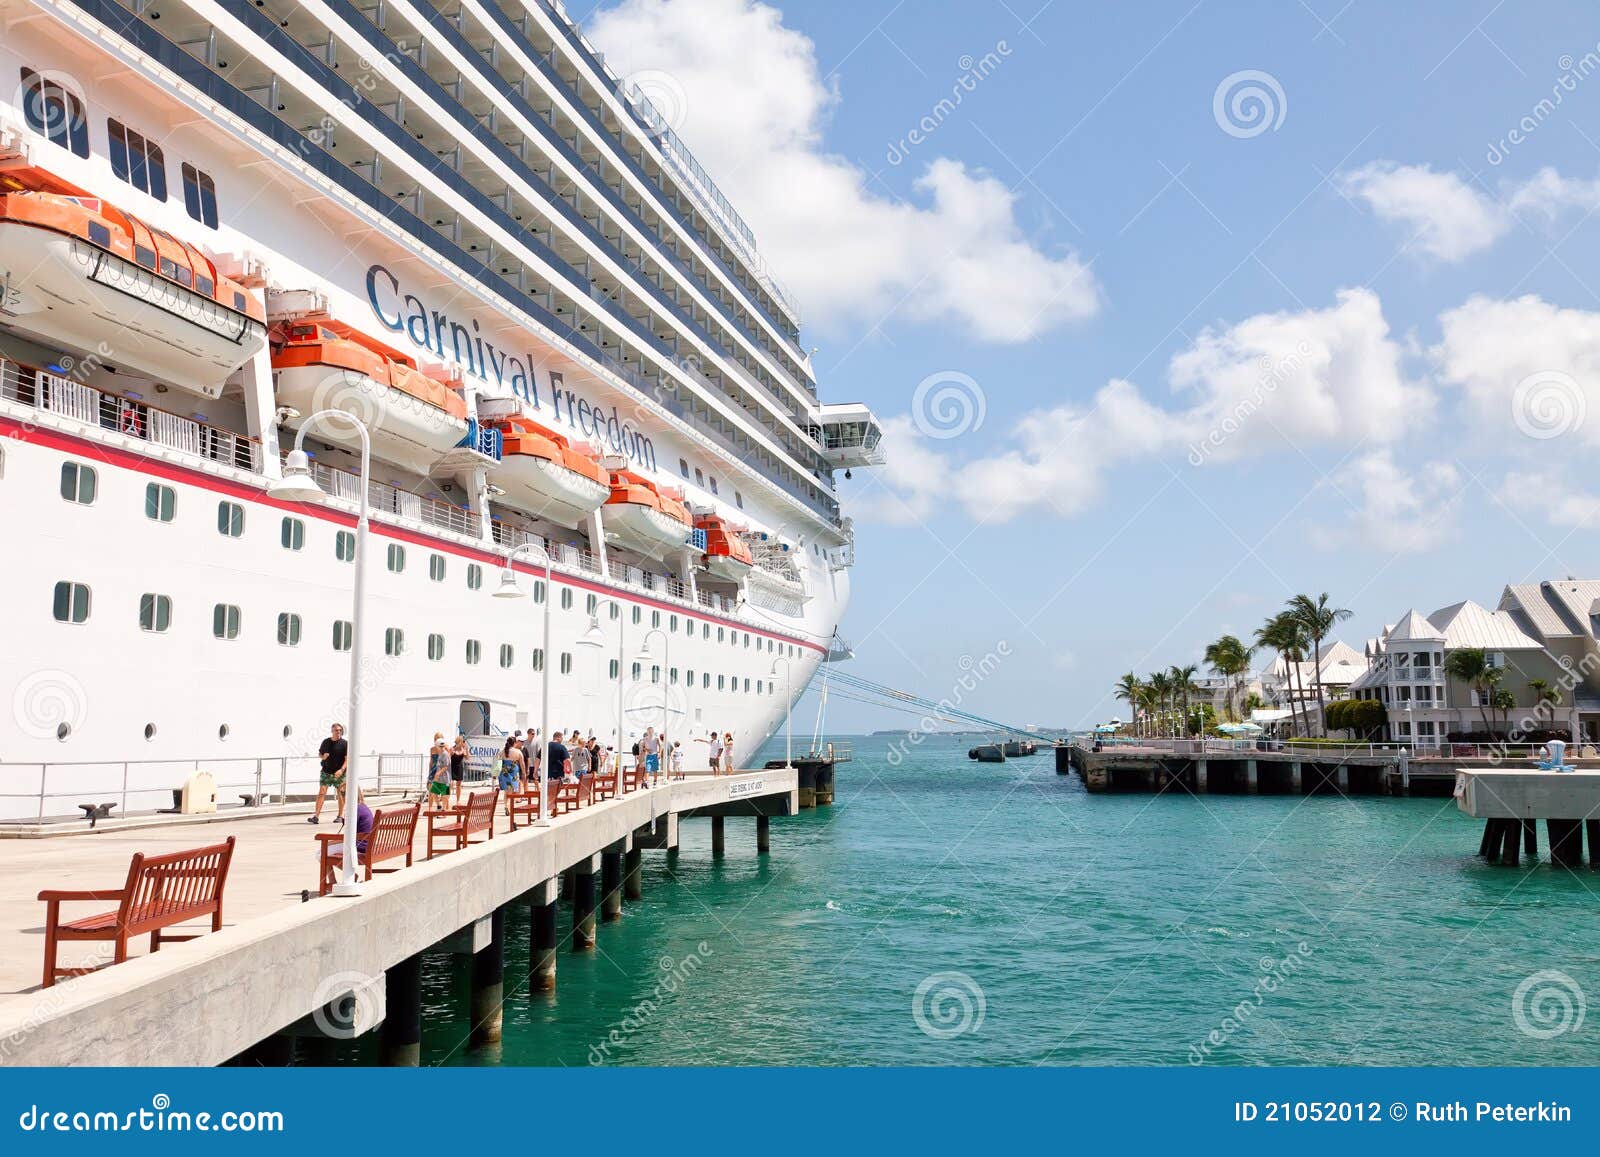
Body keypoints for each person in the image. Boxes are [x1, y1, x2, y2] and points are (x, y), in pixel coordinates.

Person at [309, 723, 348, 823]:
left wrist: (342, 770)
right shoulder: (326, 742)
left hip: (339, 773)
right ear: (332, 731)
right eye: (336, 730)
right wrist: (323, 757)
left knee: (340, 793)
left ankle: (340, 816)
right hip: (326, 772)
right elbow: (320, 754)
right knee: (322, 792)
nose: (338, 732)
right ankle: (316, 816)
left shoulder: (345, 743)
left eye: (340, 730)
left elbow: (347, 759)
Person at [427, 733, 450, 811]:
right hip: (434, 770)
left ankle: (445, 808)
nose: (436, 740)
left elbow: (447, 763)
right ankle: (430, 808)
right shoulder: (432, 749)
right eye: (435, 738)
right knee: (431, 790)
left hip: (443, 771)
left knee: (444, 791)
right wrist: (429, 771)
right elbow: (431, 761)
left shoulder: (446, 749)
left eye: (438, 738)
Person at [449, 735, 468, 805]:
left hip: (460, 768)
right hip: (452, 767)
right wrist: (452, 752)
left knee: (458, 785)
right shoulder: (452, 748)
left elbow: (467, 758)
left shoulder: (463, 749)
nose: (463, 743)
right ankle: (446, 798)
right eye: (462, 741)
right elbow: (448, 757)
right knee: (450, 784)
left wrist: (466, 750)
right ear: (459, 742)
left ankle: (458, 801)